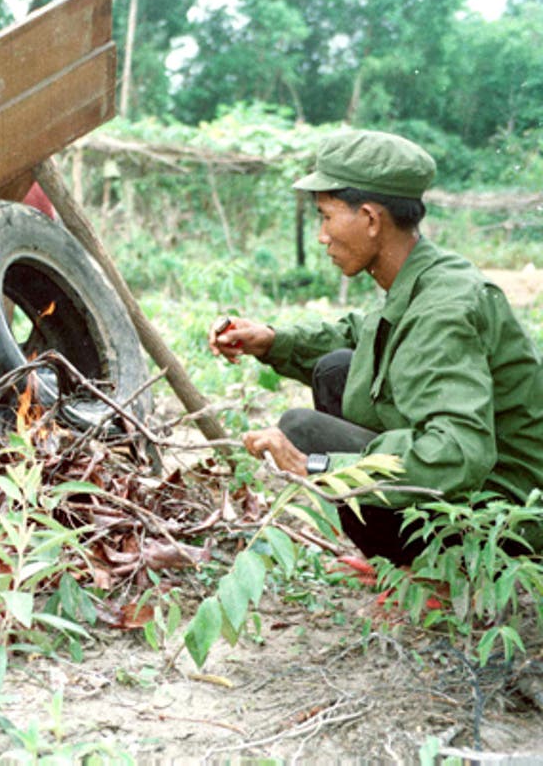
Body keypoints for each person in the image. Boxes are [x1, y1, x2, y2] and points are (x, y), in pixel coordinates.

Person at [209, 129, 543, 564]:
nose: (322, 236)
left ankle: (435, 571)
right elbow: (363, 333)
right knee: (336, 369)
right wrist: (272, 341)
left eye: (327, 217)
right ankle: (397, 559)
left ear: (370, 219)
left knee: (301, 430)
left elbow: (458, 451)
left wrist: (317, 467)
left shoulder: (443, 309)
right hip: (485, 489)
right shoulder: (421, 275)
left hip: (505, 517)